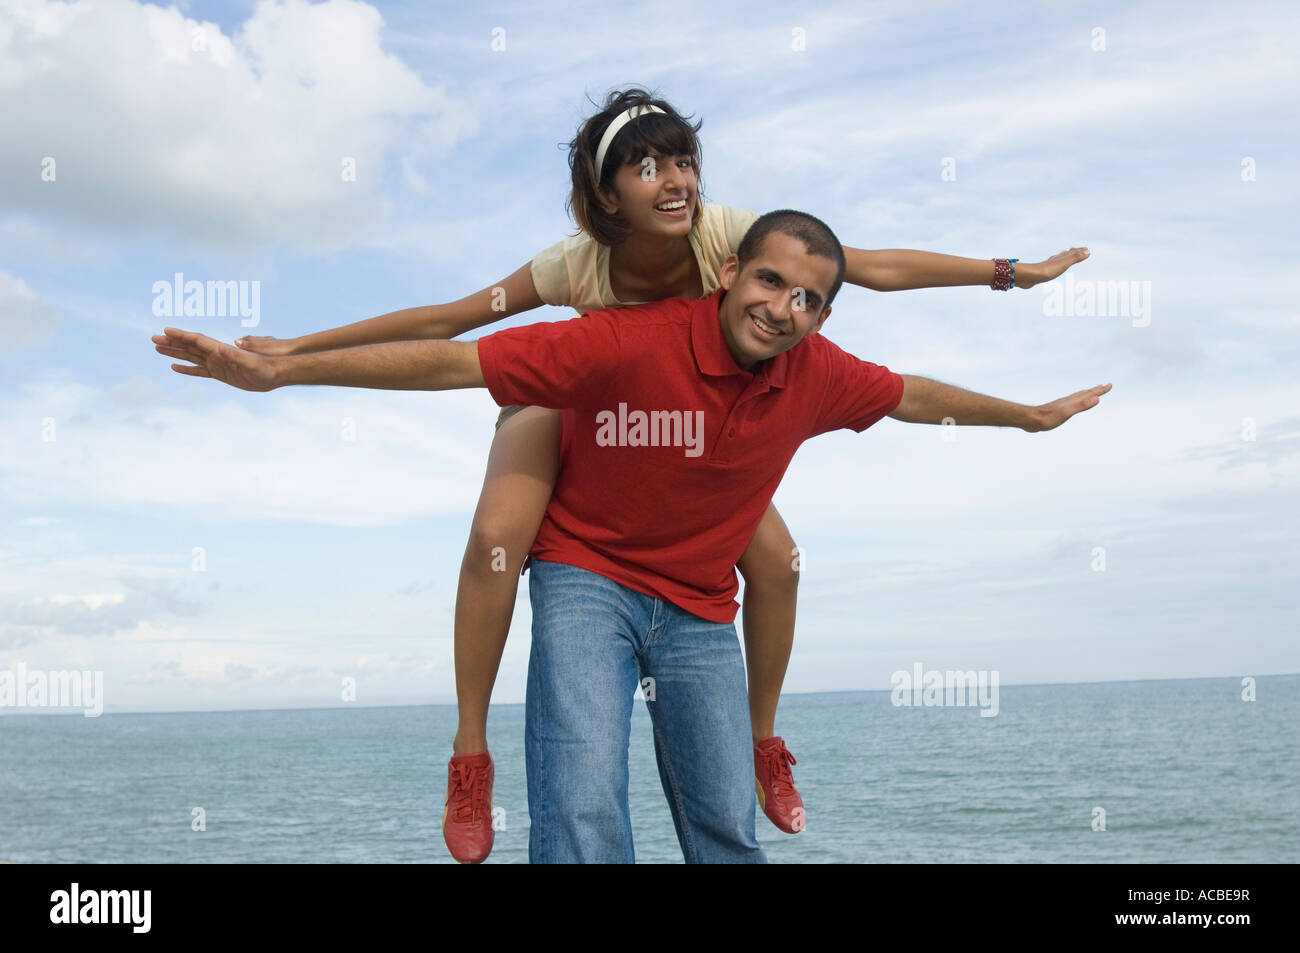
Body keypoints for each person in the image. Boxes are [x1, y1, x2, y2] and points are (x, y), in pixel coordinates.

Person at [232, 88, 1091, 863]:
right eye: (648, 166)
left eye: (684, 160)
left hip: (694, 434)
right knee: (499, 538)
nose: (674, 180)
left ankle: (760, 739)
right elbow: (451, 331)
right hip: (577, 397)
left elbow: (876, 278)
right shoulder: (574, 269)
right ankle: (469, 753)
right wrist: (296, 353)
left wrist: (1010, 276)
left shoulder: (733, 237)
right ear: (607, 194)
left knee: (780, 562)